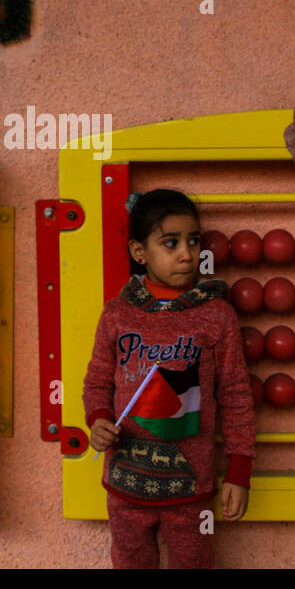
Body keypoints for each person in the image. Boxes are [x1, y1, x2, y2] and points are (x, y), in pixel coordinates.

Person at [82, 188, 255, 568]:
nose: (186, 253)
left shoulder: (217, 315)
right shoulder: (116, 314)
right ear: (139, 252)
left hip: (191, 486)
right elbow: (97, 382)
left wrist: (239, 471)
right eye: (170, 243)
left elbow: (236, 395)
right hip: (126, 484)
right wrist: (97, 420)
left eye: (193, 241)